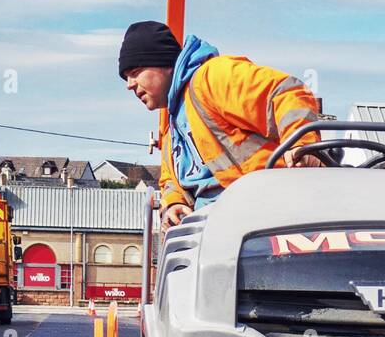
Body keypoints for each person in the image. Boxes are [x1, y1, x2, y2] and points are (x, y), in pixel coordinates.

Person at [118, 20, 322, 227]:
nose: (129, 85)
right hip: (216, 227)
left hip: (267, 215)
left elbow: (285, 92)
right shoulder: (172, 128)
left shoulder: (212, 78)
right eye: (126, 78)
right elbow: (170, 180)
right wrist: (173, 203)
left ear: (164, 65)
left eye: (135, 73)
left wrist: (301, 146)